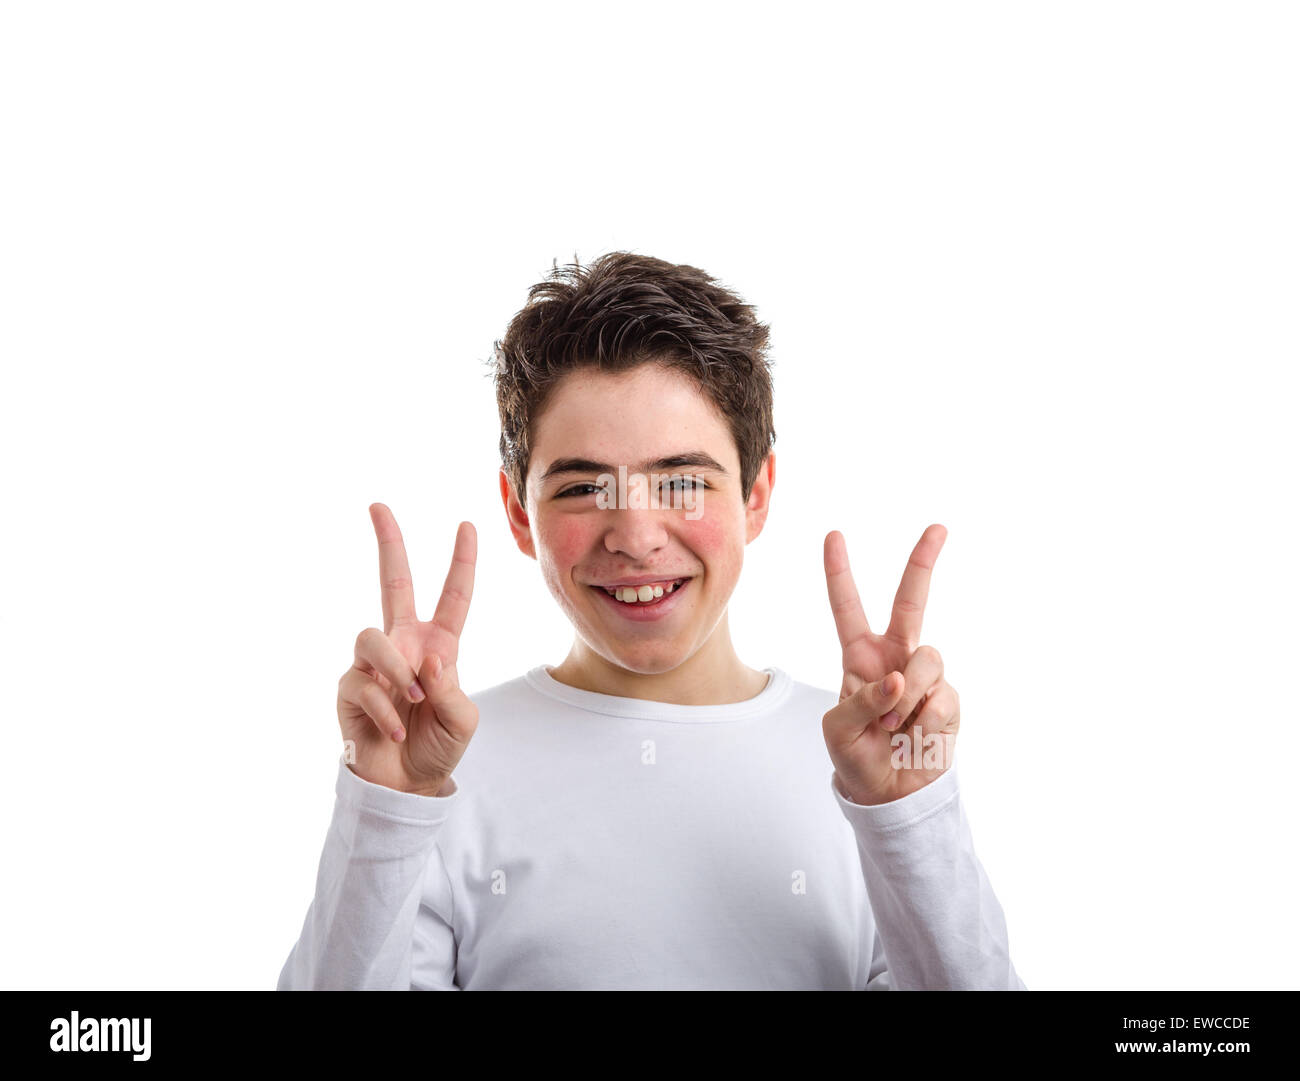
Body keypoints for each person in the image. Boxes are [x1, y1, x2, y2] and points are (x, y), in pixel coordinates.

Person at [276, 252, 1026, 990]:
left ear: (756, 493)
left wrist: (909, 821)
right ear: (518, 511)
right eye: (581, 487)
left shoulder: (864, 769)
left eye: (683, 481)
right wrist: (385, 813)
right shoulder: (438, 768)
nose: (634, 535)